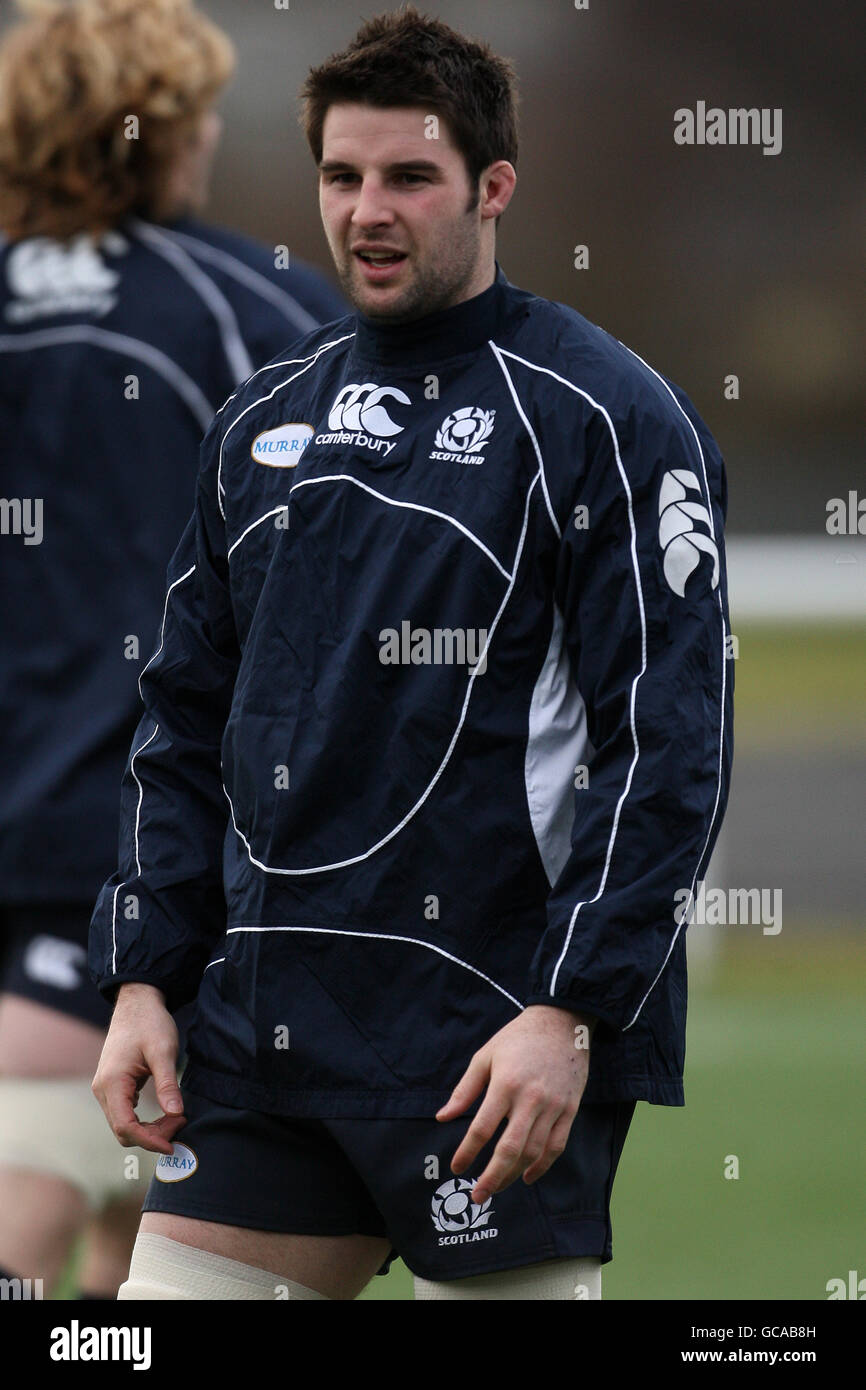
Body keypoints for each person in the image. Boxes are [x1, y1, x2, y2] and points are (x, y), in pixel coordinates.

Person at [90, 6, 734, 1302]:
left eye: (408, 177)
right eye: (341, 176)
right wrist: (146, 975)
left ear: (492, 188)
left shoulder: (608, 417)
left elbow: (667, 746)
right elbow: (181, 722)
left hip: (486, 1044)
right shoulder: (261, 420)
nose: (366, 210)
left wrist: (572, 1012)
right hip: (259, 1037)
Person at [0, 0, 344, 1300]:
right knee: (54, 1240)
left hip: (61, 872)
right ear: (166, 125)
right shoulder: (252, 310)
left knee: (121, 1272)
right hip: (142, 866)